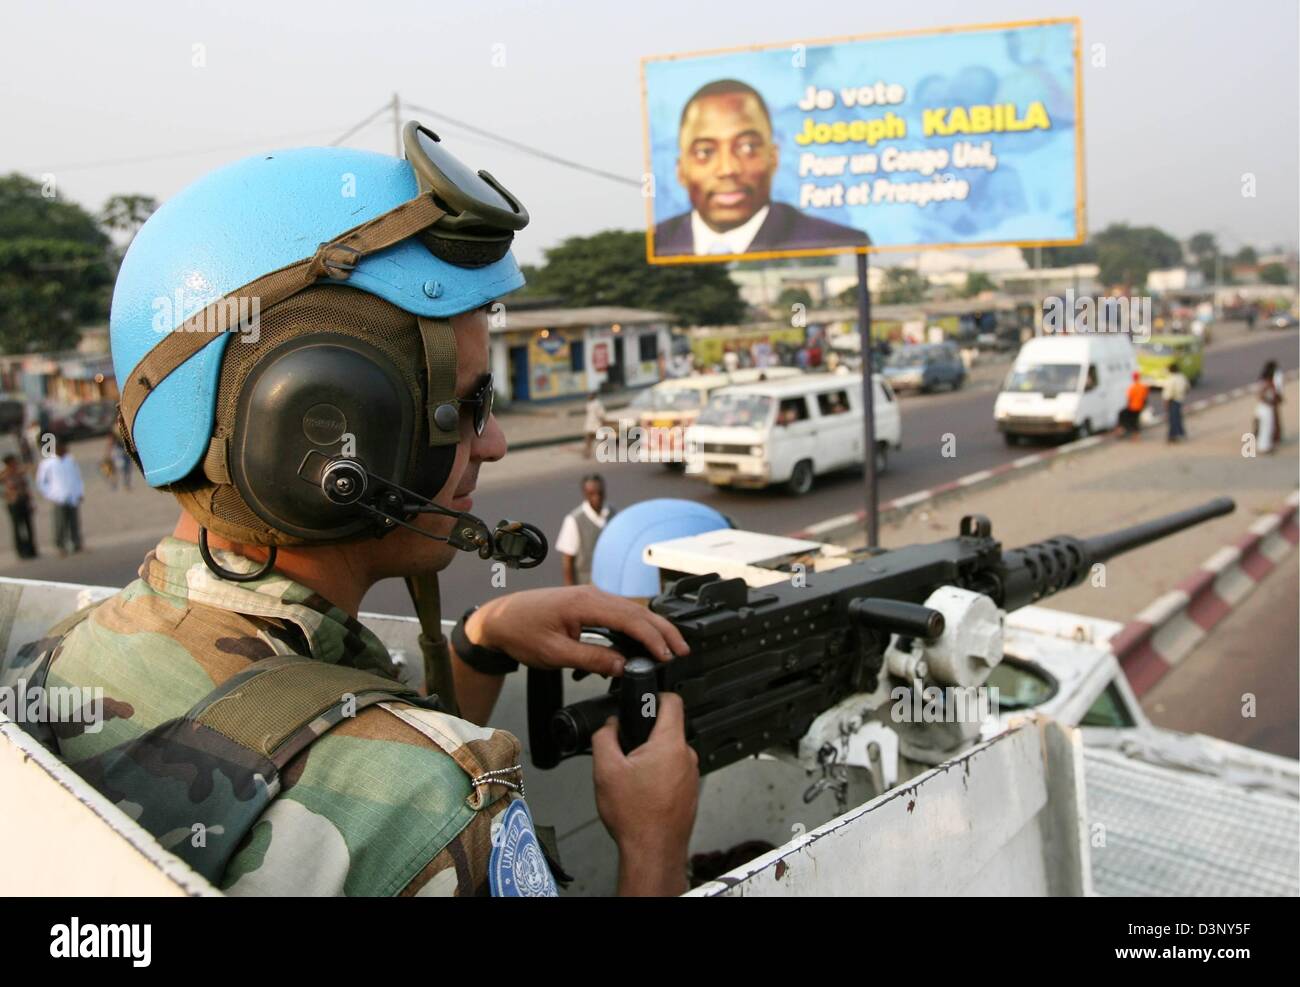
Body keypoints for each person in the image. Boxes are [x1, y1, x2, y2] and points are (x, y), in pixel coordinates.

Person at [0, 126, 698, 897]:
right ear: (313, 426)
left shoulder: (55, 658)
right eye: (464, 406)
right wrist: (653, 846)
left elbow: (299, 721)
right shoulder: (433, 809)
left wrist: (475, 646)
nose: (493, 443)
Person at [652, 79, 869, 258]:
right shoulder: (659, 242)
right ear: (681, 170)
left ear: (773, 158)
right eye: (705, 152)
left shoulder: (835, 240)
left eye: (747, 148)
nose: (728, 169)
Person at [558, 473, 615, 586]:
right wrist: (570, 589)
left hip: (610, 582)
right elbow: (567, 560)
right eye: (591, 494)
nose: (597, 497)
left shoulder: (613, 513)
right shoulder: (574, 520)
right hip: (586, 584)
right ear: (585, 494)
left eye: (600, 493)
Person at [34, 435, 82, 555]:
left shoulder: (70, 460)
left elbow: (77, 477)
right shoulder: (48, 463)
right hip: (58, 497)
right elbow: (41, 482)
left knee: (74, 521)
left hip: (72, 495)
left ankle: (76, 543)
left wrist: (79, 492)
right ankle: (61, 546)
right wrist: (51, 494)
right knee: (60, 523)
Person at [1, 453, 37, 559]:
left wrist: (31, 501)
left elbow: (26, 487)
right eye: (13, 462)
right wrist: (7, 495)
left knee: (29, 526)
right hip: (13, 504)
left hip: (24, 501)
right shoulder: (4, 475)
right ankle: (21, 551)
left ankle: (31, 550)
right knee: (17, 527)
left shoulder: (19, 473)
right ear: (8, 463)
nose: (15, 463)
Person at [1256, 361, 1280, 454]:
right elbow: (1260, 395)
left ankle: (1266, 445)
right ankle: (1264, 447)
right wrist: (1269, 401)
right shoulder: (1267, 383)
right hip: (1265, 408)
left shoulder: (1265, 382)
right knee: (1265, 427)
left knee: (1268, 427)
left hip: (1266, 407)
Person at [1162, 360, 1189, 443]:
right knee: (1178, 417)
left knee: (1173, 419)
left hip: (1172, 400)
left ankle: (1173, 436)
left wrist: (1166, 403)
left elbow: (1168, 393)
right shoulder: (1182, 377)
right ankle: (1181, 433)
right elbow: (1187, 388)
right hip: (1180, 399)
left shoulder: (1171, 379)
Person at [1120, 371, 1149, 438]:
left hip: (1133, 406)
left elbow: (1129, 398)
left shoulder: (1132, 387)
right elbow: (1145, 398)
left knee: (1130, 419)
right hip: (1140, 406)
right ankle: (1135, 434)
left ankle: (1133, 434)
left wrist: (1128, 405)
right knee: (1136, 420)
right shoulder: (1143, 386)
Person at [583, 391, 605, 459]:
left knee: (599, 439)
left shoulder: (598, 404)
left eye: (589, 395)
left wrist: (602, 423)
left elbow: (601, 414)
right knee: (588, 439)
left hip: (596, 424)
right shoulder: (588, 403)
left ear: (593, 396)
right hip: (589, 424)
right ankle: (587, 452)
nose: (588, 396)